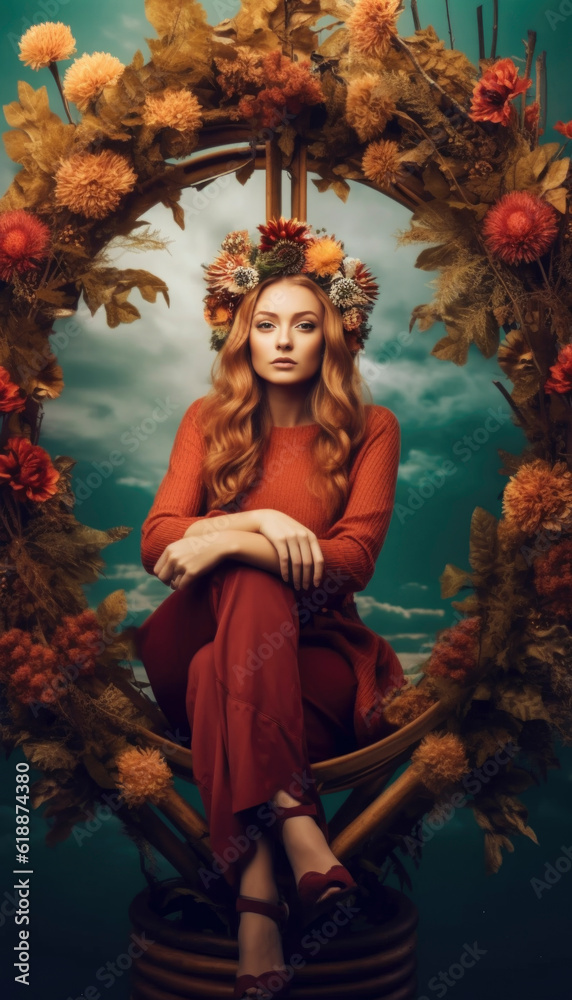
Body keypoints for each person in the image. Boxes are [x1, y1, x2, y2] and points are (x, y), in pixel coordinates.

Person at [134, 217, 407, 999]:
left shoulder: (370, 429)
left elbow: (352, 562)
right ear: (241, 336)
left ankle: (256, 898)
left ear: (332, 337)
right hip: (187, 643)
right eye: (266, 324)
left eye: (305, 324)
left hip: (310, 661)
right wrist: (260, 525)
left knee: (238, 646)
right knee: (252, 582)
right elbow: (159, 544)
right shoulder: (207, 420)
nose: (284, 340)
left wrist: (222, 537)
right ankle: (300, 827)